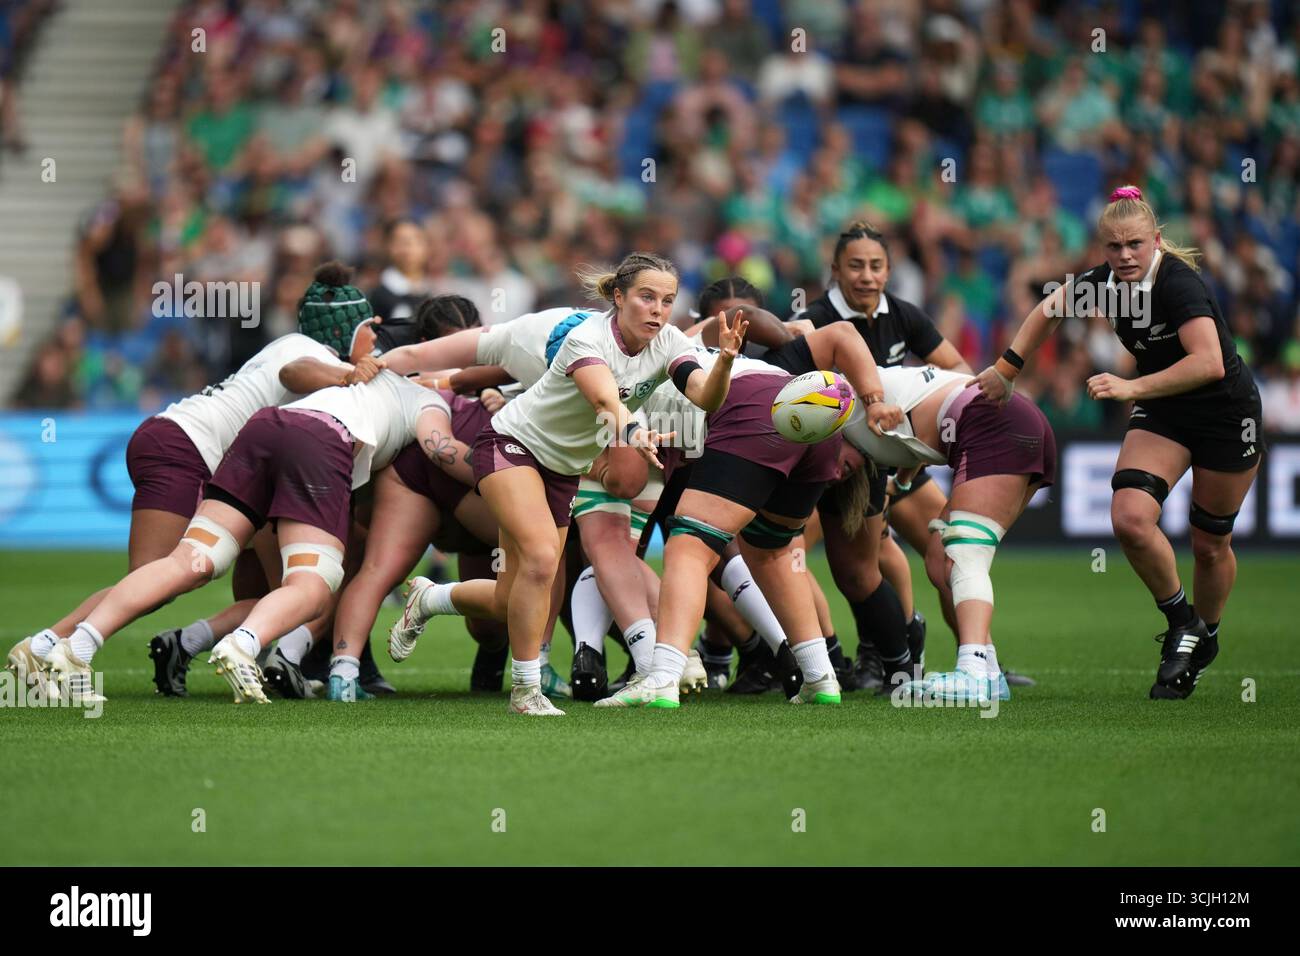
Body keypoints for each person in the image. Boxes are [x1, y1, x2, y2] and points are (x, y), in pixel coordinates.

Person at [383, 252, 745, 716]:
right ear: (619, 297)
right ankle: (526, 692)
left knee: (505, 597)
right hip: (511, 443)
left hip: (562, 469)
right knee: (541, 559)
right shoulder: (586, 337)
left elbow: (703, 395)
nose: (658, 309)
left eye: (668, 300)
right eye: (647, 297)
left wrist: (725, 364)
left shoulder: (670, 341)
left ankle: (429, 598)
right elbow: (602, 397)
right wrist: (634, 431)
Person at [8, 263, 375, 699]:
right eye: (369, 328)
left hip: (179, 441)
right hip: (187, 449)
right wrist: (346, 374)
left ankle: (49, 647)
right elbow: (292, 375)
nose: (376, 338)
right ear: (345, 331)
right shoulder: (316, 358)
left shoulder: (290, 342)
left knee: (184, 574)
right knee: (160, 576)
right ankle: (54, 649)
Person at [973, 185, 1262, 700]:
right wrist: (1006, 369)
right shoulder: (1101, 284)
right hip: (1166, 411)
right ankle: (1182, 626)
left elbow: (1209, 363)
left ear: (1155, 240)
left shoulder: (1179, 284)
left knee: (1210, 544)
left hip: (1225, 415)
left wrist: (1131, 386)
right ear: (1101, 248)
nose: (1124, 256)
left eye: (1134, 245)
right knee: (1129, 518)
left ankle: (1206, 638)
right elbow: (1048, 309)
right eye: (1113, 247)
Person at [595, 333, 904, 709]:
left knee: (688, 544)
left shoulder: (609, 371)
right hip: (809, 416)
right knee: (771, 552)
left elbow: (626, 479)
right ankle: (820, 676)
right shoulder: (671, 345)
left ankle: (661, 679)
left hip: (757, 410)